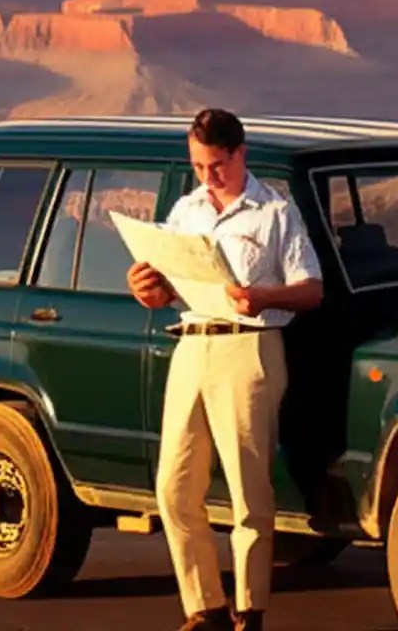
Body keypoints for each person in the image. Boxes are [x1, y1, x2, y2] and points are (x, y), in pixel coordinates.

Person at [126, 108, 324, 631]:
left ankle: (249, 610)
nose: (207, 177)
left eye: (216, 165)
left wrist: (262, 297)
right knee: (173, 485)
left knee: (246, 487)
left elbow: (311, 289)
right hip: (191, 345)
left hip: (249, 347)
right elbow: (167, 287)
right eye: (198, 166)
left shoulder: (275, 212)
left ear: (240, 154)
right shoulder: (187, 210)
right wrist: (149, 290)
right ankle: (204, 606)